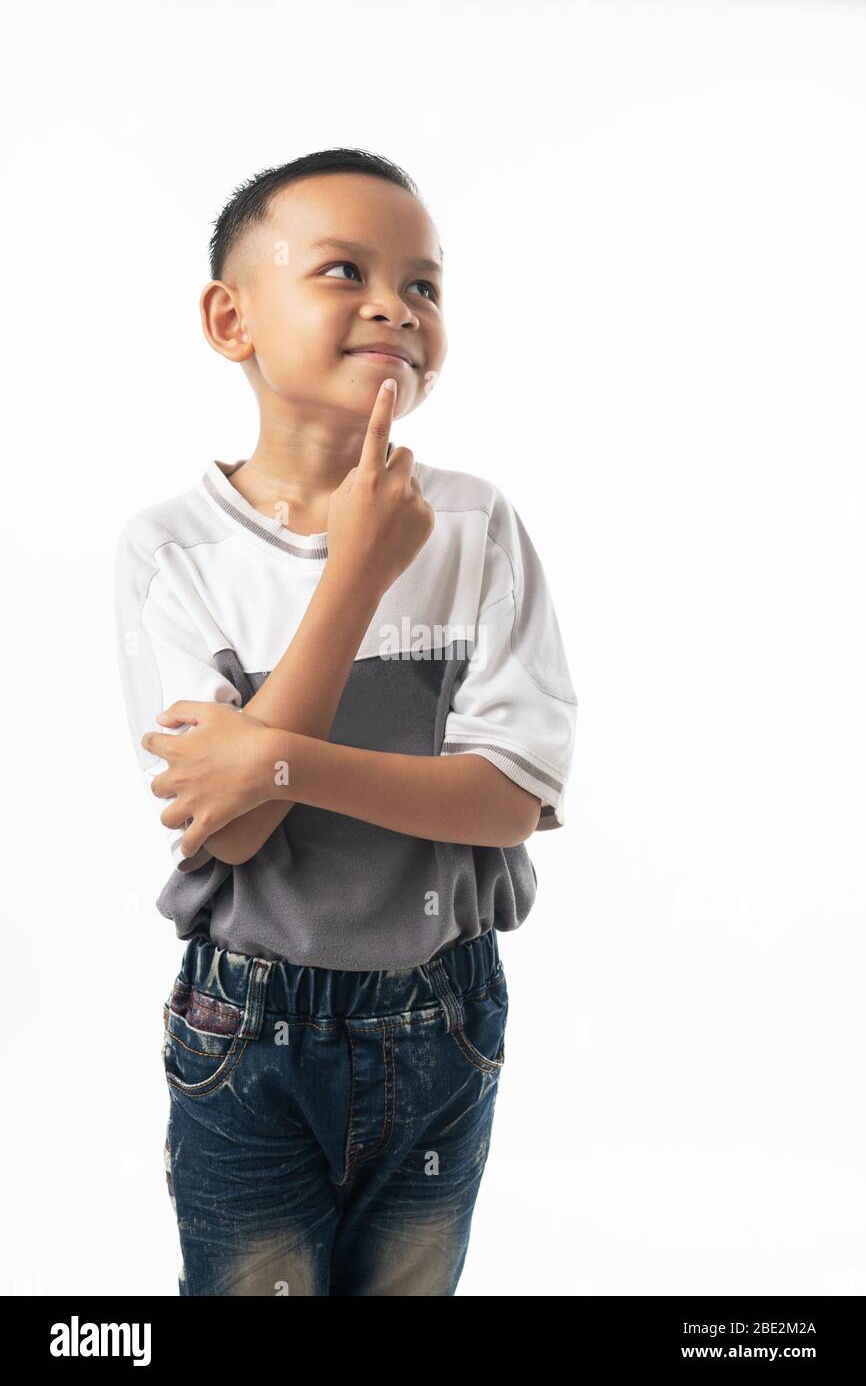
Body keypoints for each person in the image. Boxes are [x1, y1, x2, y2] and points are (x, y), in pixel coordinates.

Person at [113, 147, 578, 1296]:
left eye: (423, 284)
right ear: (231, 319)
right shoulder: (171, 549)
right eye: (342, 270)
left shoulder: (475, 524)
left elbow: (508, 796)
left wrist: (268, 757)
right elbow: (225, 830)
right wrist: (356, 574)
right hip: (245, 1022)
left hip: (443, 1014)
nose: (395, 306)